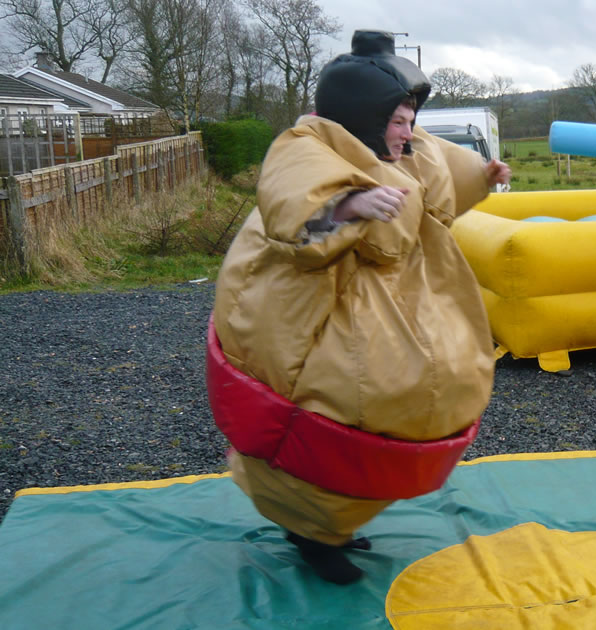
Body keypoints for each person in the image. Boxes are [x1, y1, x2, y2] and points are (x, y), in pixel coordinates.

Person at [207, 30, 510, 585]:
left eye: (410, 120)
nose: (407, 132)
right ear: (362, 116)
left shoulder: (405, 149)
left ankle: (336, 522)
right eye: (397, 121)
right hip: (320, 297)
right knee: (345, 399)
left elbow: (440, 173)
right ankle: (313, 531)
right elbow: (293, 194)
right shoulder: (308, 145)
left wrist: (483, 177)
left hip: (401, 293)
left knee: (427, 394)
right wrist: (350, 203)